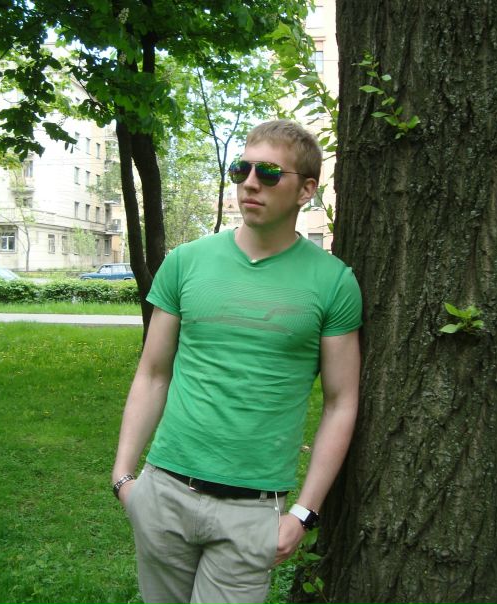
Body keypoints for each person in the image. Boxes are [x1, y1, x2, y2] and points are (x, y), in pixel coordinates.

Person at [111, 119, 362, 604]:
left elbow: (340, 403)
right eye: (240, 169)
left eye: (269, 173)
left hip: (252, 512)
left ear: (306, 190)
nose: (250, 183)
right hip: (164, 495)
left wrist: (304, 512)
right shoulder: (185, 262)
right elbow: (153, 373)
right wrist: (124, 478)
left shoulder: (333, 282)